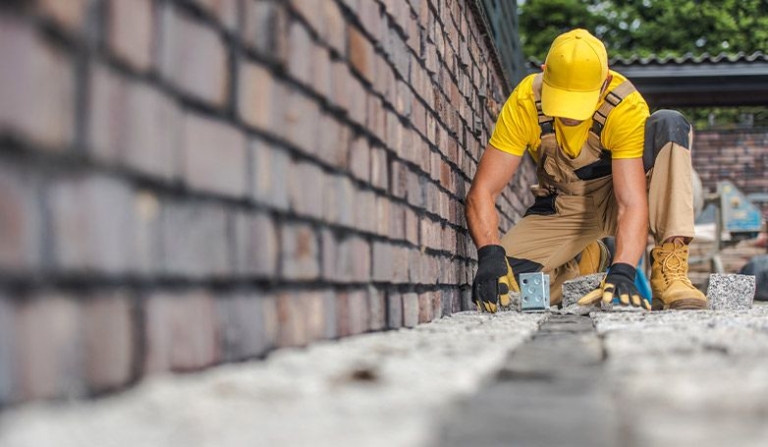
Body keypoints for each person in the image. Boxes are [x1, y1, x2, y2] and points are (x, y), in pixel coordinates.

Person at [466, 28, 708, 313]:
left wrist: (624, 270)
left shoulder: (625, 106)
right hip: (565, 206)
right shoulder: (525, 102)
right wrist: (489, 253)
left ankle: (670, 272)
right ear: (545, 72)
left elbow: (631, 203)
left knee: (668, 123)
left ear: (605, 80)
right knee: (507, 284)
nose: (569, 114)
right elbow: (482, 190)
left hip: (622, 194)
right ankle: (586, 265)